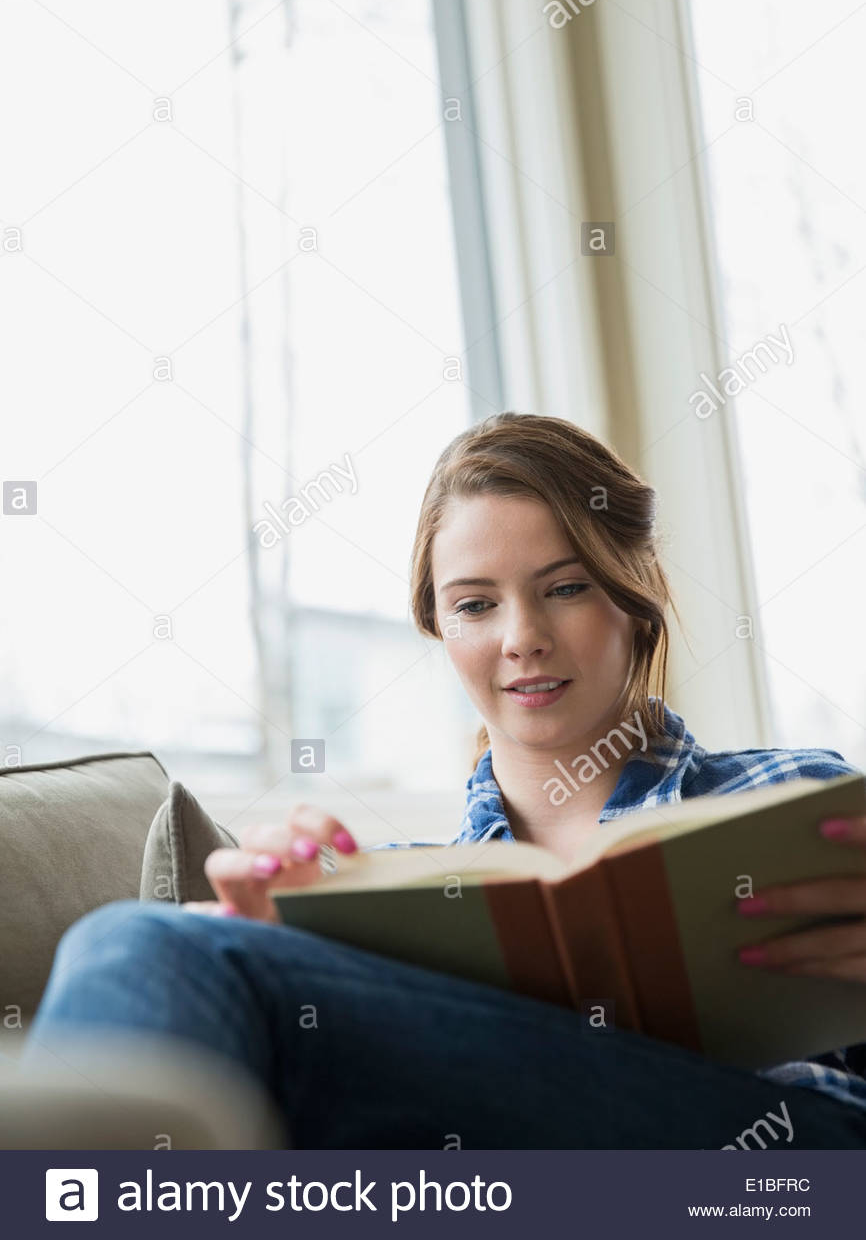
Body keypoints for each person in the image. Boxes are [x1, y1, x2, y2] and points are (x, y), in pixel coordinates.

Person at [19, 413, 866, 1148]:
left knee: (136, 943)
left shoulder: (794, 797)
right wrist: (276, 944)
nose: (522, 637)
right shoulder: (394, 896)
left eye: (565, 587)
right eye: (475, 605)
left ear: (634, 594)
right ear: (438, 625)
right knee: (145, 947)